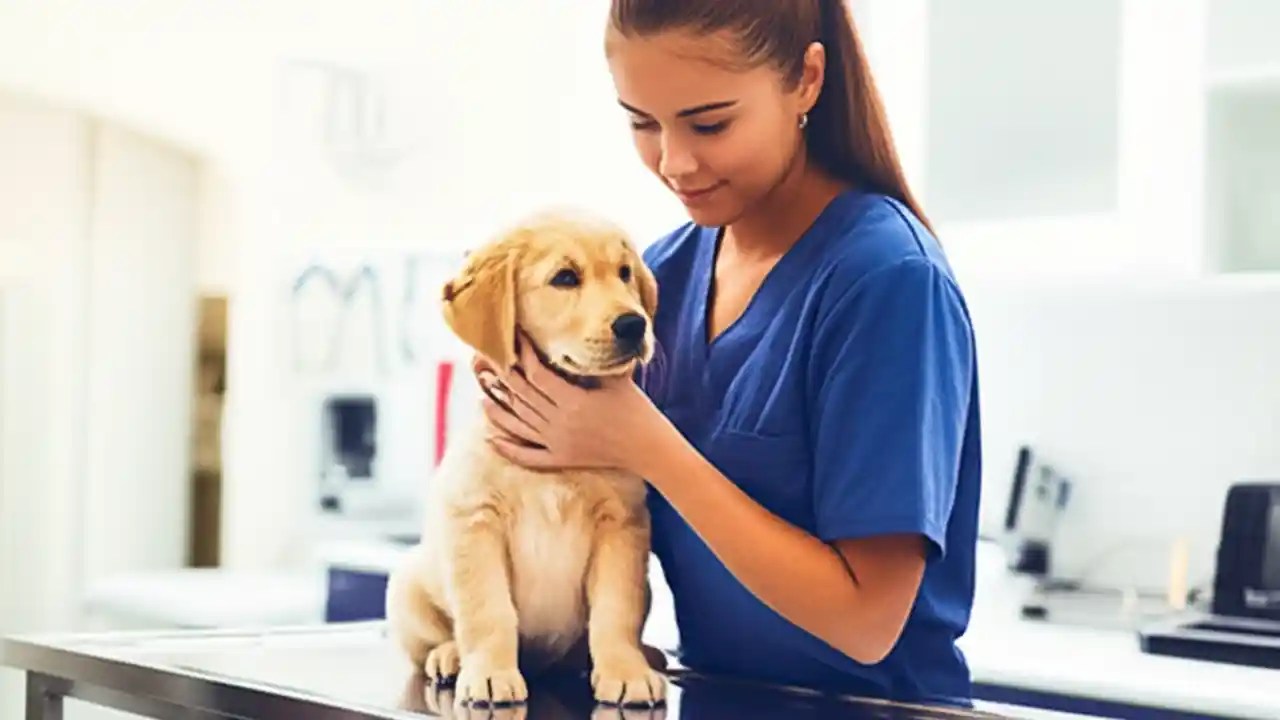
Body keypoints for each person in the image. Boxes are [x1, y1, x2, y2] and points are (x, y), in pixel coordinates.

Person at [473, 0, 982, 708]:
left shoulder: (888, 283)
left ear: (805, 81)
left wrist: (648, 445)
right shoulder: (658, 281)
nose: (674, 162)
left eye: (710, 123)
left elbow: (867, 623)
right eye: (641, 122)